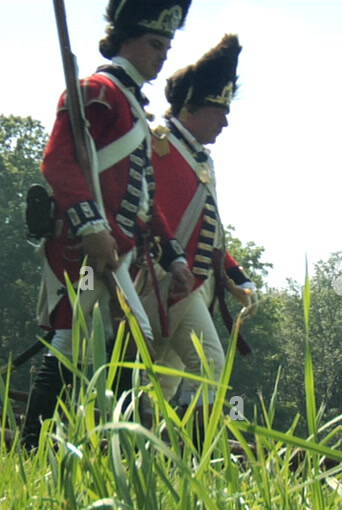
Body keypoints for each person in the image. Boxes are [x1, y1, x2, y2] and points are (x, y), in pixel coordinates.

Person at [23, 0, 195, 447]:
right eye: (156, 44)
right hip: (85, 250)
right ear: (127, 40)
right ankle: (34, 447)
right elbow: (59, 164)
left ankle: (105, 447)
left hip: (122, 254)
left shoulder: (134, 108)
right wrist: (91, 226)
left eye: (166, 46)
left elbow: (145, 200)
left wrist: (172, 253)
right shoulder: (98, 91)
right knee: (75, 340)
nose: (163, 55)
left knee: (114, 346)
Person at [141, 34, 259, 414]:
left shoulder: (200, 159)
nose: (225, 122)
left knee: (161, 381)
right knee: (209, 365)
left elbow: (209, 234)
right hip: (164, 282)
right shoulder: (157, 145)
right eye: (218, 111)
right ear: (192, 108)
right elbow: (148, 216)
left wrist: (235, 275)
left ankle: (143, 456)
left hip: (193, 284)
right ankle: (196, 457)